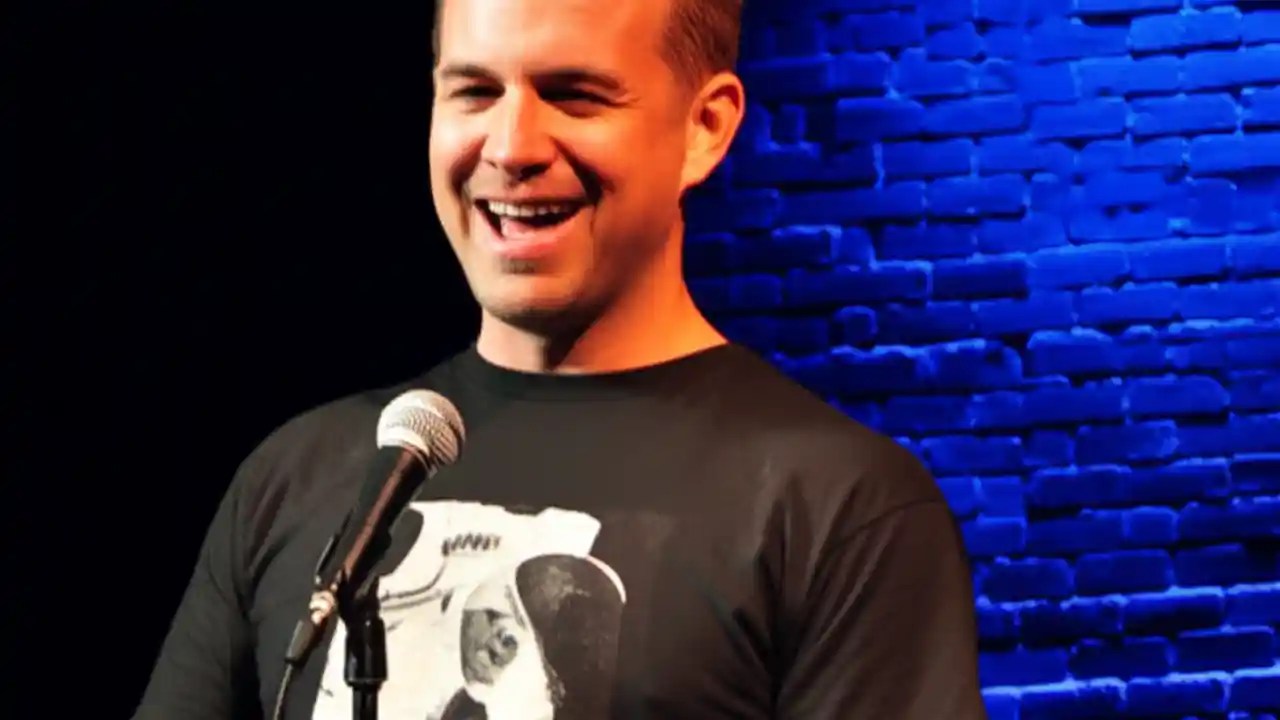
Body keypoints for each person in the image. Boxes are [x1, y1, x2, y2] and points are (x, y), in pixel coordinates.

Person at [132, 0, 988, 717]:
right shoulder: (299, 475)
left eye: (574, 96)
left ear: (705, 126)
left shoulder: (840, 510)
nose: (511, 147)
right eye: (473, 91)